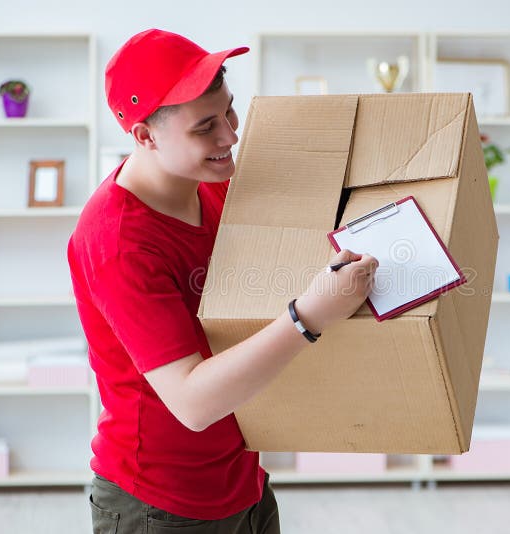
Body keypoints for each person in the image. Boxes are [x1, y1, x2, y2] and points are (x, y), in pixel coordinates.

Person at [67, 28, 377, 534]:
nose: (230, 136)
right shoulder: (118, 243)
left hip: (243, 477)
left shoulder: (215, 186)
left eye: (229, 111)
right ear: (144, 136)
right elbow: (192, 403)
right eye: (205, 127)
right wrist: (308, 317)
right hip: (161, 504)